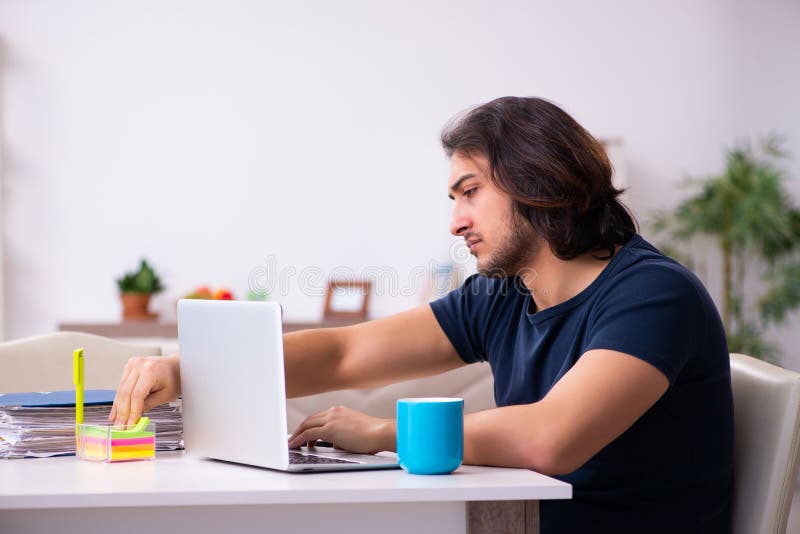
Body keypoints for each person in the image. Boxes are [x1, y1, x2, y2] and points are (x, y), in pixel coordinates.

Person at [110, 97, 733, 533]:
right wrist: (190, 368)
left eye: (470, 192)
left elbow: (551, 438)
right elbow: (345, 354)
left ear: (538, 180)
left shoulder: (653, 295)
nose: (456, 221)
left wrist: (385, 436)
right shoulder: (506, 295)